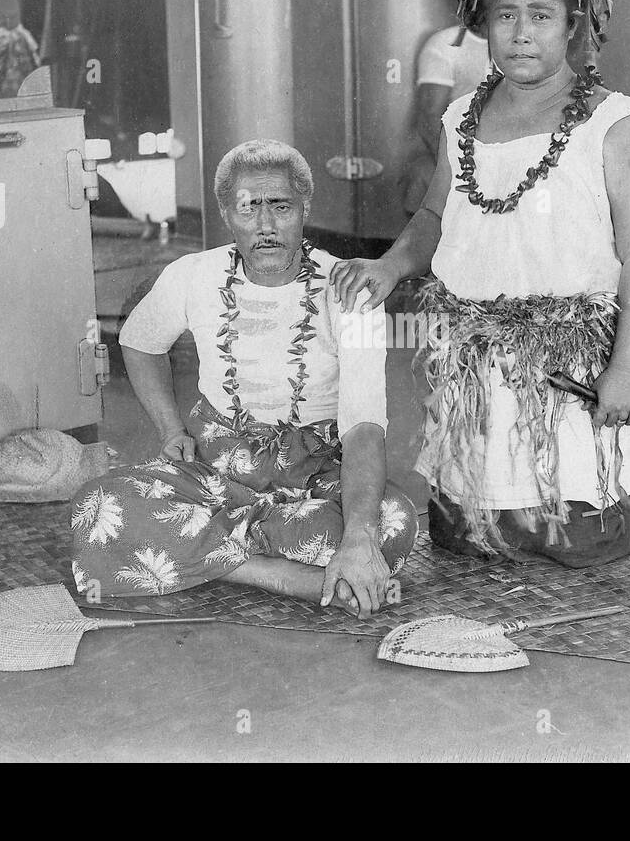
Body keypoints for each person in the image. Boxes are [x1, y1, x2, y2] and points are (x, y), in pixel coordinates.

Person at [331, 0, 630, 568]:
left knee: (579, 538)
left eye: (540, 15)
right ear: (482, 25)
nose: (519, 32)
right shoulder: (462, 117)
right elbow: (433, 214)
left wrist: (626, 366)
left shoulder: (617, 124)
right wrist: (391, 263)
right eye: (504, 15)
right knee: (468, 536)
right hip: (474, 362)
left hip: (572, 364)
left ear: (572, 25)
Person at [70, 140, 418, 618]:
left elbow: (362, 424)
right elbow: (140, 340)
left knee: (393, 523)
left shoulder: (348, 289)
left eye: (281, 206)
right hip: (216, 467)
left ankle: (213, 549)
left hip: (317, 470)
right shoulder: (192, 274)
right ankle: (277, 575)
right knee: (99, 506)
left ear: (304, 209)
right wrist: (172, 430)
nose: (267, 225)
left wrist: (358, 535)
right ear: (226, 214)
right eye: (248, 208)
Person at [402, 0, 493, 215]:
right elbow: (430, 119)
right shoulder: (444, 45)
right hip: (459, 160)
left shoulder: (513, 43)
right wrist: (462, 170)